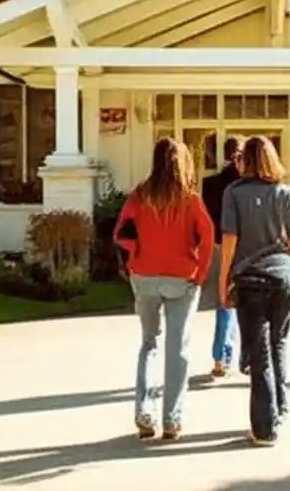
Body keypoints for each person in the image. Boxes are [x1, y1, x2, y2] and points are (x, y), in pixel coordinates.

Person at [217, 135, 290, 447]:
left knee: (259, 352)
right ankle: (280, 408)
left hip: (250, 280)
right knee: (279, 342)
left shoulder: (233, 192)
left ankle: (264, 428)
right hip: (283, 276)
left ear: (245, 161)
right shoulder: (285, 193)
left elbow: (230, 240)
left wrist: (223, 281)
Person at [114, 137, 215, 442]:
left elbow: (121, 233)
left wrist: (135, 254)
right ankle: (172, 419)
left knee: (149, 343)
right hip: (182, 277)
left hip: (144, 275)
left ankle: (145, 412)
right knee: (178, 347)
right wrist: (200, 273)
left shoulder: (139, 196)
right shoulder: (190, 200)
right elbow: (207, 237)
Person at [201, 134, 245, 378]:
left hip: (219, 245)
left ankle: (220, 358)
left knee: (224, 301)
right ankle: (246, 357)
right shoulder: (249, 185)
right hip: (246, 246)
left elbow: (207, 221)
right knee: (249, 303)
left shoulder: (210, 184)